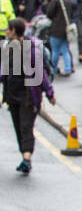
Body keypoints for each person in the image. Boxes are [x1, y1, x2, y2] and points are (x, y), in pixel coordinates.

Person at [1, 16, 56, 173]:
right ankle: (25, 155)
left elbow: (41, 73)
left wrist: (49, 92)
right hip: (12, 96)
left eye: (7, 29)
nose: (5, 32)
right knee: (18, 127)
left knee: (26, 127)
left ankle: (27, 158)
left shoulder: (31, 51)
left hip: (28, 97)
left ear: (14, 31)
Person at [44, 0, 75, 77]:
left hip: (56, 29)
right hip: (66, 29)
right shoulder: (69, 0)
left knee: (55, 50)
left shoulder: (56, 0)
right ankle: (68, 68)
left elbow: (49, 13)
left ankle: (53, 68)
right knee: (65, 49)